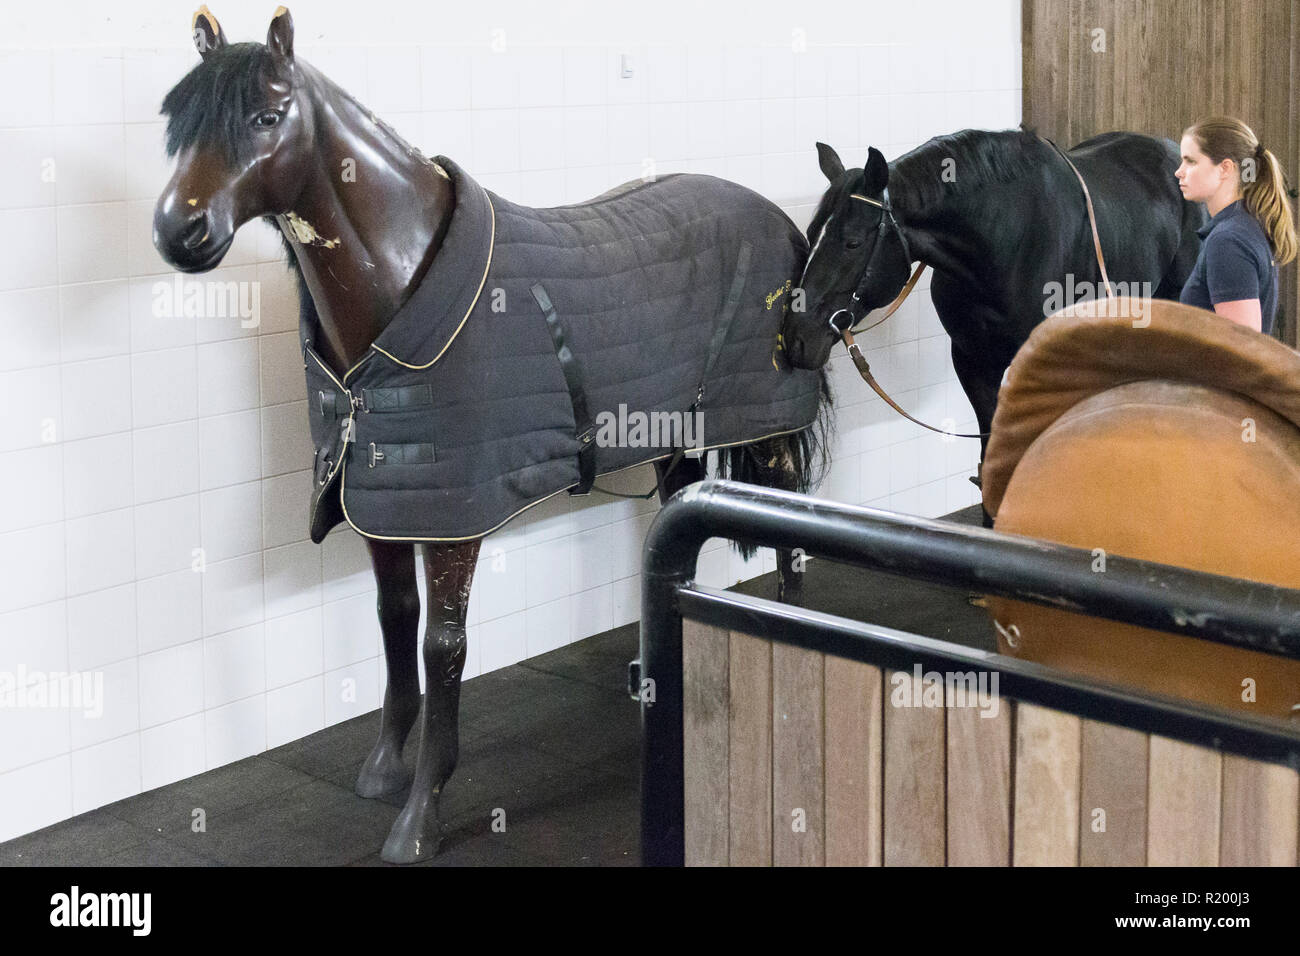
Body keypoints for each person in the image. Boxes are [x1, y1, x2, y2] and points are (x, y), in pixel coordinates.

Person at [1175, 117, 1296, 335]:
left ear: (1225, 168)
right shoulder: (1241, 228)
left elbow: (1242, 349)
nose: (1179, 171)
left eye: (1190, 161)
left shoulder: (1228, 240)